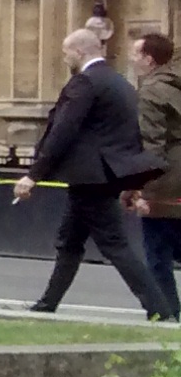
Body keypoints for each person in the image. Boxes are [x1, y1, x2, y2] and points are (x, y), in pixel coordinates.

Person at [18, 28, 172, 317]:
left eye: (66, 53)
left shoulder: (85, 82)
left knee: (114, 244)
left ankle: (159, 309)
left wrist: (34, 174)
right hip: (105, 175)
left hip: (90, 177)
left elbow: (63, 130)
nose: (65, 59)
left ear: (78, 52)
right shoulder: (121, 84)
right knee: (70, 240)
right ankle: (48, 303)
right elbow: (130, 135)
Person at [130, 33, 181, 315]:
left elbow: (153, 144)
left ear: (149, 59)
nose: (133, 60)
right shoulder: (176, 84)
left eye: (136, 55)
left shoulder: (150, 90)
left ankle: (165, 311)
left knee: (157, 254)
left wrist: (141, 188)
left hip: (167, 181)